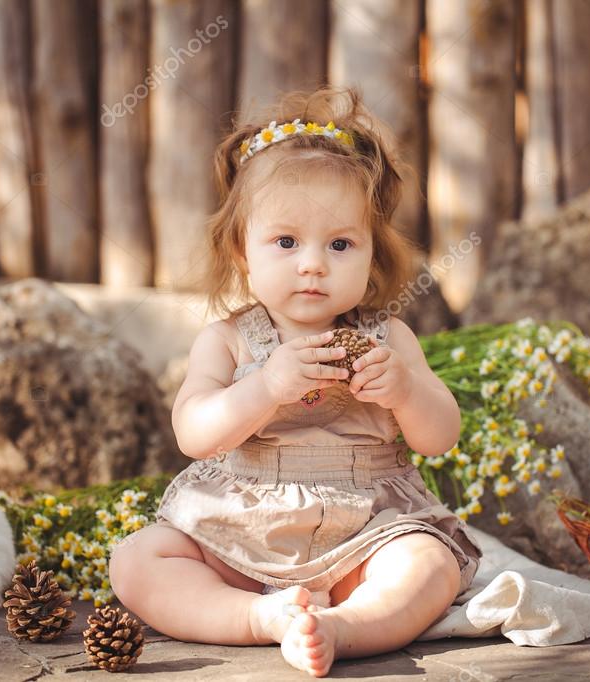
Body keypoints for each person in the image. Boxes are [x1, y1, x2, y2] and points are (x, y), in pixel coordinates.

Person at [109, 85, 482, 677]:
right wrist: (263, 388)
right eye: (286, 242)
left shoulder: (390, 340)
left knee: (429, 563)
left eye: (340, 244)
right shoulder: (228, 341)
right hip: (239, 537)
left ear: (371, 256)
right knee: (137, 560)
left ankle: (345, 625)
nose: (313, 263)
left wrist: (406, 393)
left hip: (364, 532)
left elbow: (441, 435)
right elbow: (193, 433)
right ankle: (259, 617)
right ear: (241, 254)